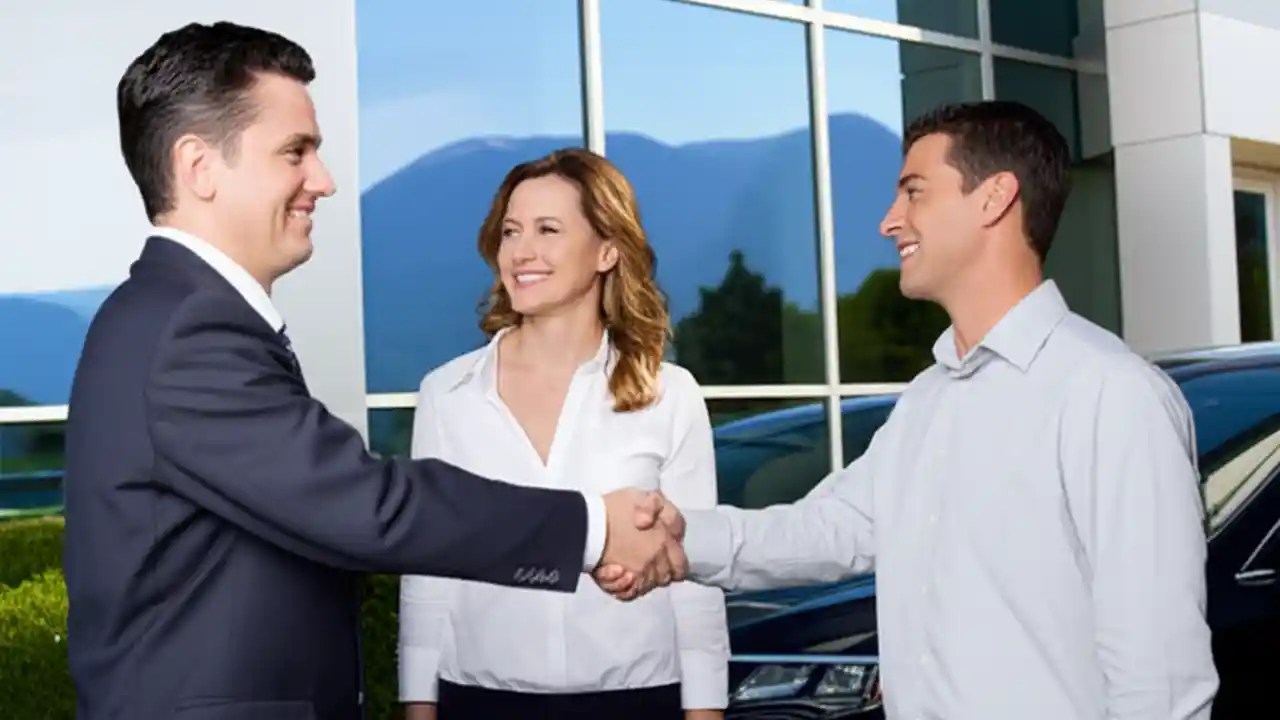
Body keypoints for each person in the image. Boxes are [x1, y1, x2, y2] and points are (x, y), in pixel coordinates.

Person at [61, 22, 684, 720]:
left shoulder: (170, 315)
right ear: (199, 167)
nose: (322, 182)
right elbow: (366, 506)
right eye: (296, 152)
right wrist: (593, 528)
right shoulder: (188, 330)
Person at [598, 101, 1220, 719]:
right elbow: (833, 528)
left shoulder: (1112, 394)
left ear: (994, 198)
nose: (890, 222)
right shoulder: (929, 398)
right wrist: (681, 537)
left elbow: (1160, 681)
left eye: (914, 192)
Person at [397, 148, 730, 720]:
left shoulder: (669, 394)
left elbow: (693, 575)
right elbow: (429, 569)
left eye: (548, 230)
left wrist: (706, 712)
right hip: (478, 704)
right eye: (510, 232)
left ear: (607, 250)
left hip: (637, 704)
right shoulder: (446, 395)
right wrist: (418, 705)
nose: (521, 252)